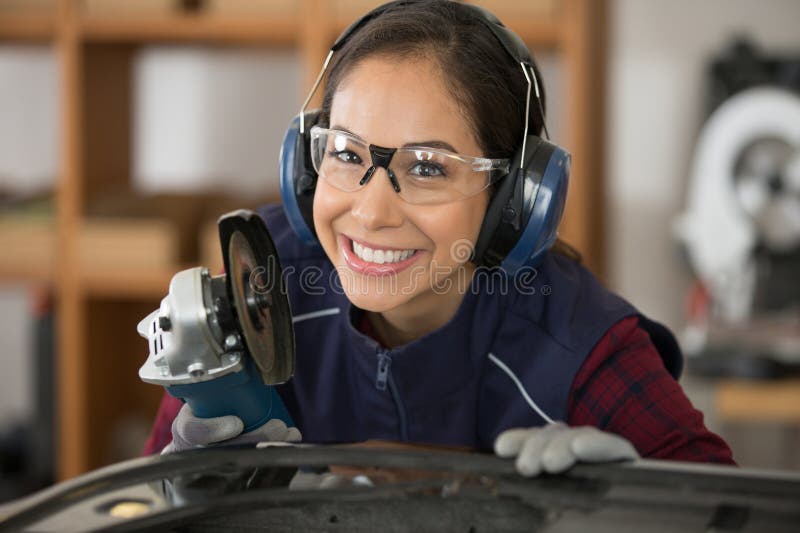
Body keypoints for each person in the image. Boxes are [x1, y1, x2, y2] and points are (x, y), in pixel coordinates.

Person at [143, 0, 734, 476]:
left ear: (514, 203)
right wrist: (184, 495)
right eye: (346, 153)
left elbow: (726, 509)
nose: (371, 213)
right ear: (307, 165)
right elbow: (145, 502)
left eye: (427, 167)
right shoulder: (259, 283)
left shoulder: (581, 343)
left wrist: (641, 502)